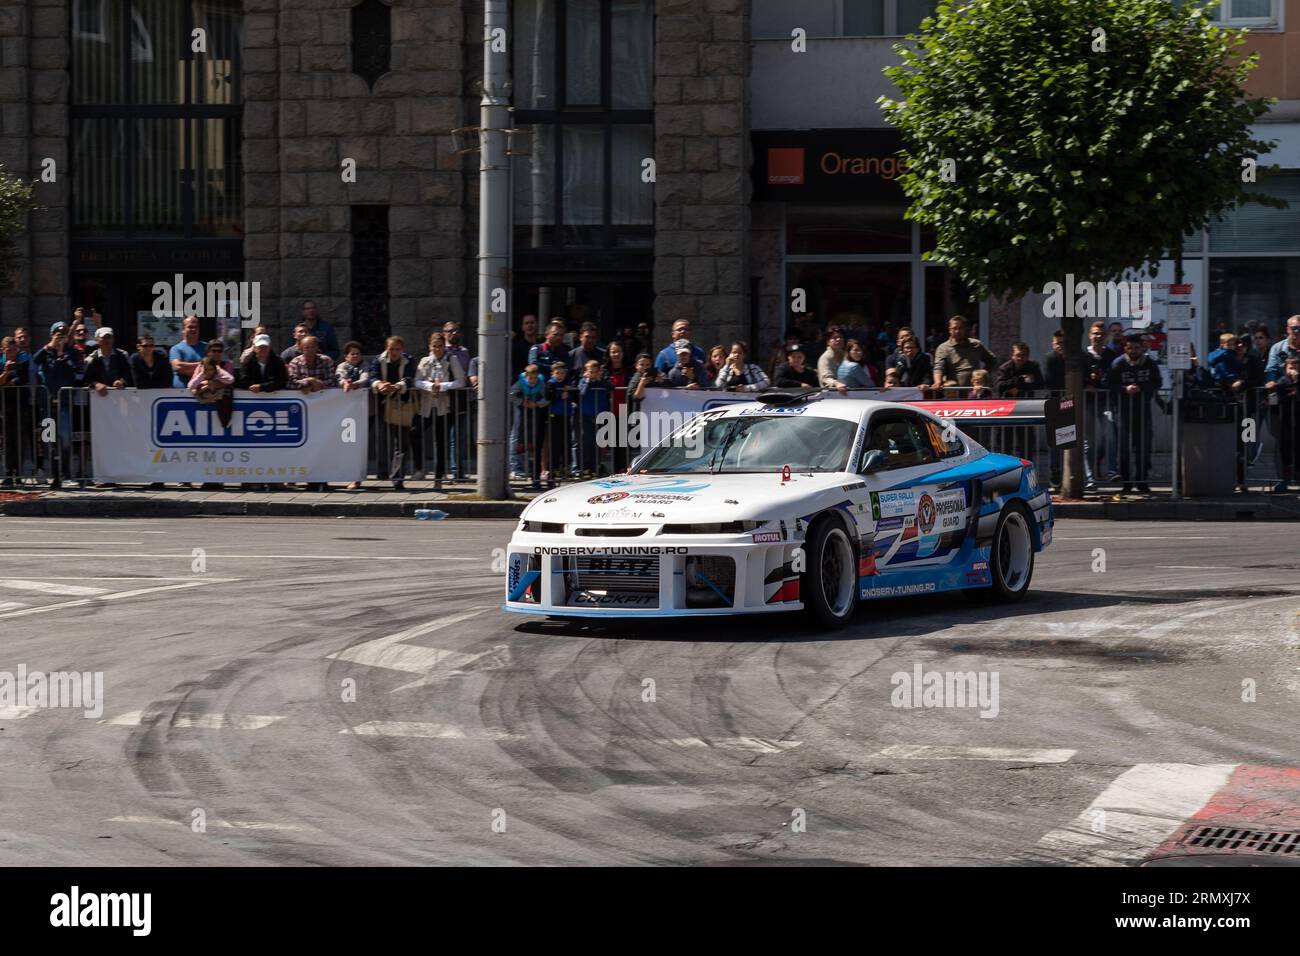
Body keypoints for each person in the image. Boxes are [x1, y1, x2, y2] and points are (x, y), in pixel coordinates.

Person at [31, 323, 84, 489]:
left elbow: (76, 371)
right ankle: (54, 475)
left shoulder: (73, 353)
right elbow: (35, 361)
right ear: (52, 335)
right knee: (49, 441)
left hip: (64, 404)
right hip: (47, 404)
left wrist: (62, 353)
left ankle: (66, 474)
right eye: (57, 334)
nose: (60, 337)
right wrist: (51, 346)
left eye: (63, 335)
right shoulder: (45, 353)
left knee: (65, 439)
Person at [1109, 333, 1160, 495]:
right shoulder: (1118, 363)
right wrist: (1125, 389)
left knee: (1143, 447)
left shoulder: (1150, 363)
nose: (1133, 351)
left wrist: (1141, 388)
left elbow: (1158, 382)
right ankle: (1126, 482)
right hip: (1123, 411)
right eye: (1130, 348)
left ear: (1142, 348)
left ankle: (1142, 481)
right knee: (1123, 448)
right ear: (1126, 348)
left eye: (1136, 348)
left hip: (1143, 410)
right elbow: (1109, 383)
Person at [415, 331, 467, 485]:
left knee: (440, 440)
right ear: (430, 347)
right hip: (427, 405)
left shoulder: (452, 359)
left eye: (440, 346)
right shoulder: (425, 361)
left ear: (444, 347)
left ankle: (439, 475)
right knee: (414, 431)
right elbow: (417, 381)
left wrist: (443, 386)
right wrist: (431, 386)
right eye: (434, 346)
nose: (437, 349)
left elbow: (461, 381)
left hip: (444, 405)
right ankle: (419, 468)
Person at [369, 336, 418, 490]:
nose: (394, 352)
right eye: (391, 349)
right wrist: (379, 385)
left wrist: (397, 386)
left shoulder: (408, 360)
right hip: (382, 404)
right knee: (382, 438)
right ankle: (382, 472)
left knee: (401, 442)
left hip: (401, 405)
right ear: (386, 348)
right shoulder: (378, 360)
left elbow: (410, 378)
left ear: (402, 350)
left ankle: (398, 478)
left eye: (397, 349)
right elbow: (372, 376)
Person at [933, 315, 997, 395]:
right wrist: (938, 382)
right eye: (954, 328)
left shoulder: (976, 344)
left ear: (966, 329)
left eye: (961, 328)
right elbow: (939, 367)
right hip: (954, 393)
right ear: (949, 330)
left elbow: (992, 360)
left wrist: (983, 374)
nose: (957, 331)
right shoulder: (943, 348)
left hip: (976, 392)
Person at [0, 336, 34, 486]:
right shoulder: (1, 362)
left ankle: (19, 473)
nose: (12, 354)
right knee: (8, 440)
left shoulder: (23, 359)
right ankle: (8, 472)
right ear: (3, 350)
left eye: (14, 350)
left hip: (20, 404)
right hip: (4, 405)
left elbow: (24, 378)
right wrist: (6, 373)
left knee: (19, 439)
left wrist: (13, 382)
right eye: (9, 351)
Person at [511, 364, 550, 489]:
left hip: (536, 416)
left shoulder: (541, 383)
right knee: (518, 439)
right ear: (526, 376)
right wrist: (523, 402)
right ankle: (518, 468)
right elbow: (511, 395)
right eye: (530, 378)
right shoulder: (520, 383)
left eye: (535, 378)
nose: (533, 381)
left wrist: (537, 404)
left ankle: (534, 474)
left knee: (534, 444)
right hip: (522, 416)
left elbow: (548, 398)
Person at [1268, 356, 1299, 493]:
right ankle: (1285, 479)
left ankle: (1297, 476)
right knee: (1285, 449)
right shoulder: (1282, 381)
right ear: (1286, 369)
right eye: (1291, 368)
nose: (1294, 371)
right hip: (1286, 421)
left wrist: (1296, 384)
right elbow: (1276, 400)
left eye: (1297, 368)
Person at [576, 359, 611, 475]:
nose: (593, 374)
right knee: (587, 443)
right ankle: (586, 467)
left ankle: (596, 467)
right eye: (591, 372)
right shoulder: (583, 381)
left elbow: (611, 388)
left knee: (599, 443)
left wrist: (600, 379)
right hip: (586, 417)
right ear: (586, 372)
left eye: (595, 372)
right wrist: (588, 381)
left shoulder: (602, 381)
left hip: (600, 417)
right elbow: (582, 393)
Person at [544, 361, 574, 487]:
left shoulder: (567, 384)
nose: (560, 375)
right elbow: (548, 396)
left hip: (566, 416)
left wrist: (569, 392)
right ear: (552, 373)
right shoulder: (551, 383)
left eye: (562, 373)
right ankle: (553, 468)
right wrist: (559, 394)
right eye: (557, 373)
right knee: (555, 444)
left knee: (565, 442)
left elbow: (574, 394)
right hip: (554, 416)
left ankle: (564, 467)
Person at [83, 328, 133, 394]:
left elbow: (129, 373)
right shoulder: (90, 359)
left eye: (109, 337)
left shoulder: (123, 355)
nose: (107, 340)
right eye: (103, 337)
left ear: (113, 339)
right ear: (97, 340)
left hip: (121, 396)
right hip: (99, 399)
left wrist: (122, 381)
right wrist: (96, 384)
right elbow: (86, 380)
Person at [169, 315, 205, 388]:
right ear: (183, 329)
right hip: (180, 395)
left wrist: (185, 369)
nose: (193, 329)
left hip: (203, 394)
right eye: (190, 327)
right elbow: (178, 366)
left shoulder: (207, 347)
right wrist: (202, 365)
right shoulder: (176, 349)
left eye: (196, 327)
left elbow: (212, 369)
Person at [817, 328, 849, 392]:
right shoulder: (825, 358)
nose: (838, 339)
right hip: (832, 395)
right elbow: (825, 378)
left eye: (841, 337)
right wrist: (836, 383)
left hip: (849, 392)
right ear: (828, 342)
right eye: (834, 338)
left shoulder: (846, 355)